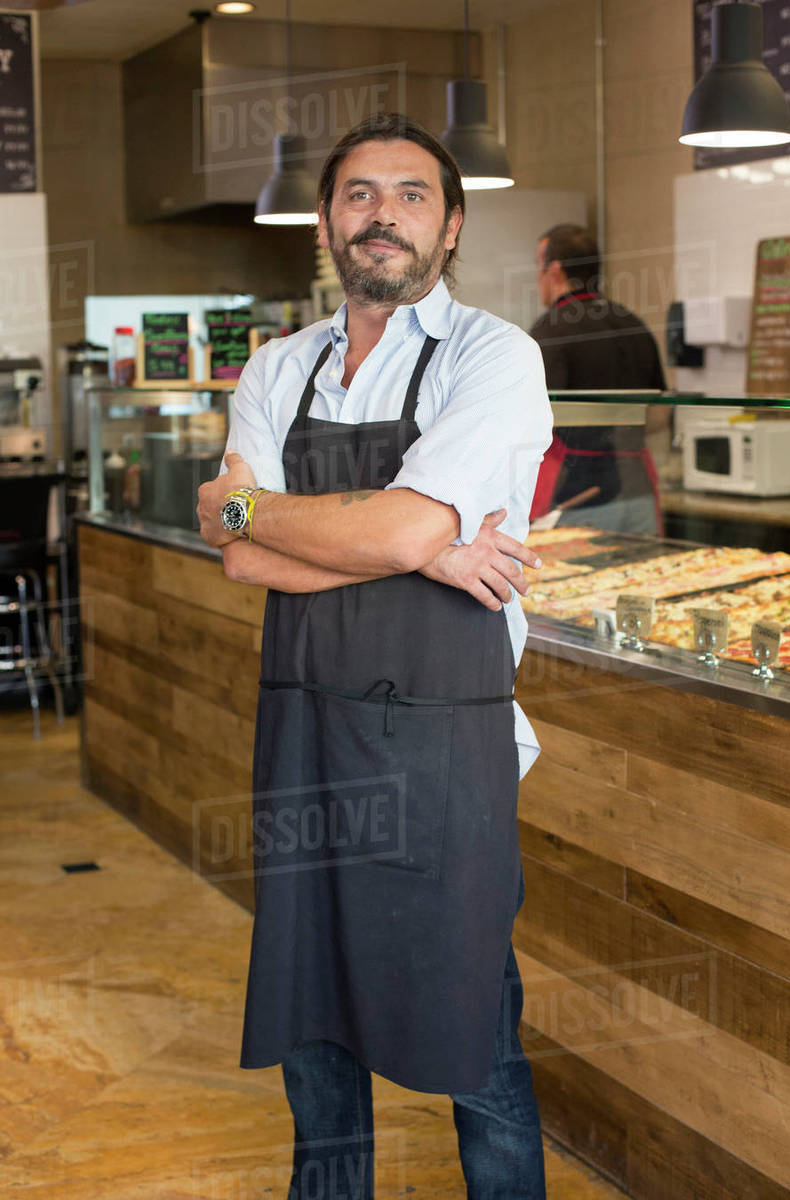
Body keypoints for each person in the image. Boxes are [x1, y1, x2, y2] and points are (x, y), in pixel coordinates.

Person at [197, 112, 553, 1200]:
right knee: (314, 1037)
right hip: (305, 730)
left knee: (475, 1040)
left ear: (448, 228)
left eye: (409, 196)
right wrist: (421, 546)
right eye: (359, 194)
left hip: (443, 746)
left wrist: (366, 530)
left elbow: (306, 525)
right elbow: (237, 554)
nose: (381, 214)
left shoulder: (494, 353)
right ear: (326, 222)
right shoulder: (277, 363)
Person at [529, 223, 669, 535]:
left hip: (576, 497)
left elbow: (533, 421)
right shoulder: (633, 323)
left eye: (538, 267)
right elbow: (659, 416)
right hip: (637, 489)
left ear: (554, 270)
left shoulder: (549, 330)